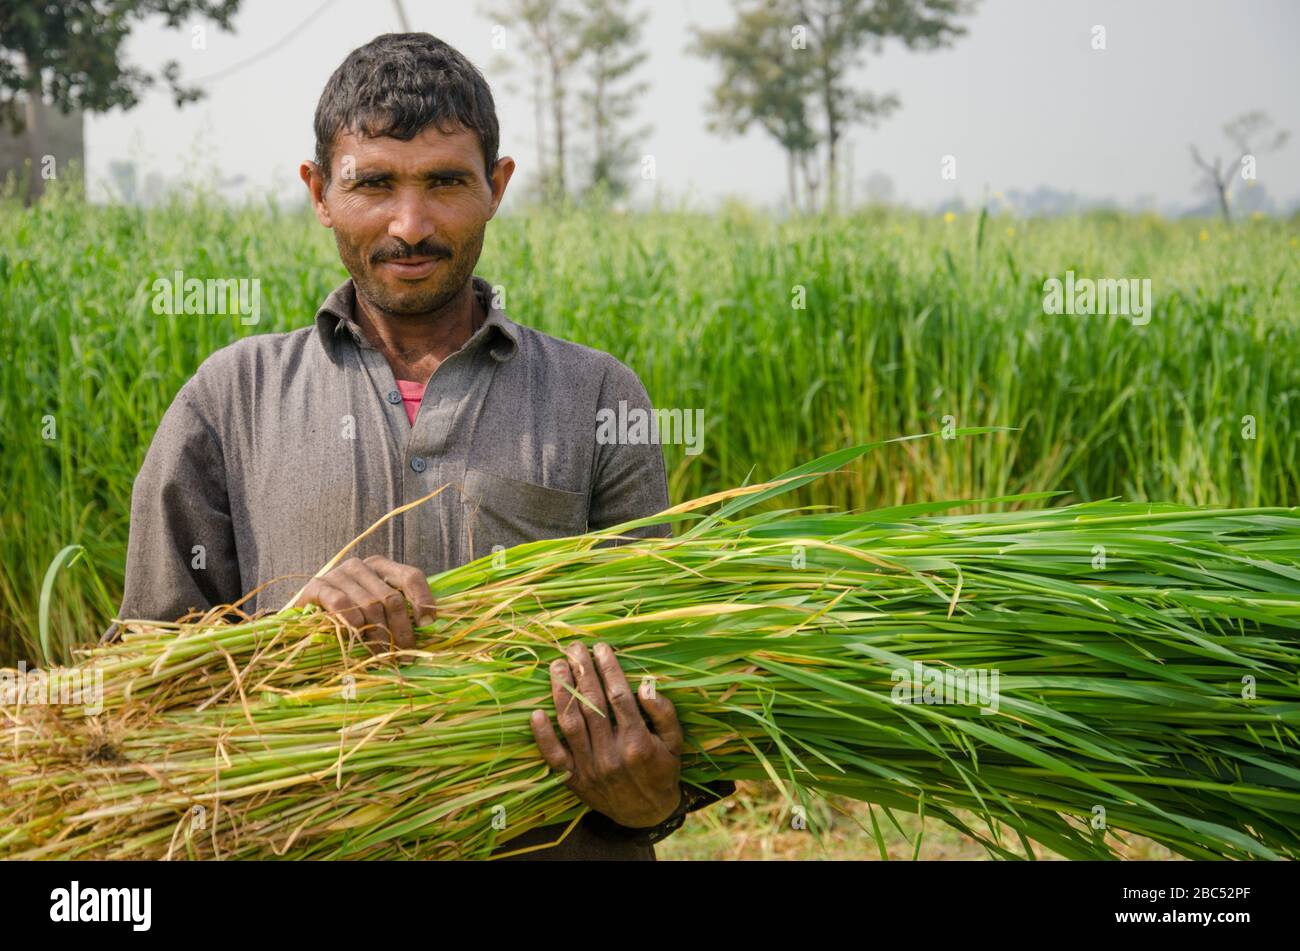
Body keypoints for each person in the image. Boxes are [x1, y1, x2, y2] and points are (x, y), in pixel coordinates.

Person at [112, 32, 732, 860]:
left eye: (445, 181)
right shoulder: (230, 398)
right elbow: (144, 693)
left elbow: (665, 683)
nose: (411, 224)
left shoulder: (596, 397)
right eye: (373, 184)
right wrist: (295, 632)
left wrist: (651, 795)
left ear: (497, 186)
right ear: (319, 192)